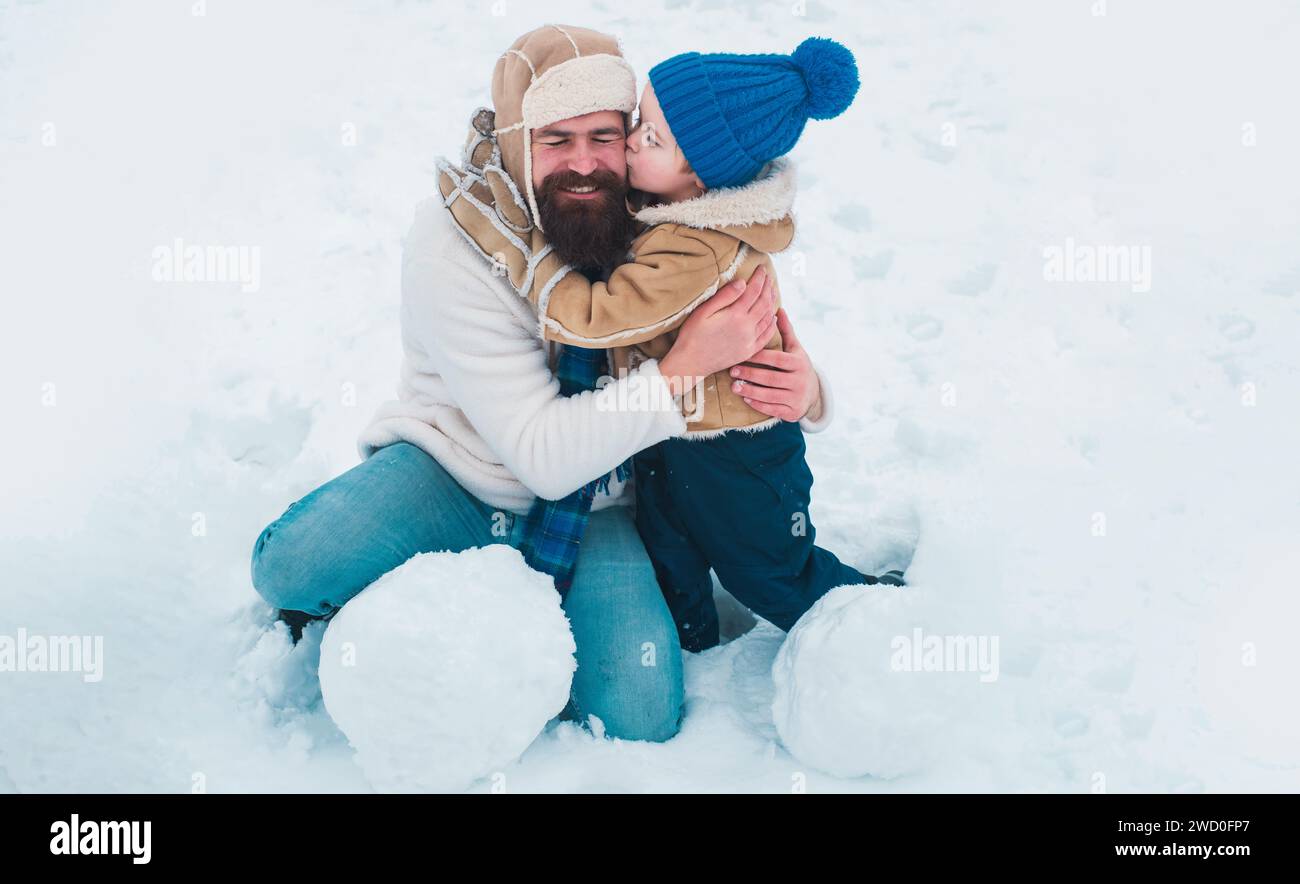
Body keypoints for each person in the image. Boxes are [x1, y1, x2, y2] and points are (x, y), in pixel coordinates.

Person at [249, 25, 832, 743]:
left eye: (605, 134)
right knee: (292, 567)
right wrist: (682, 370)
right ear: (521, 138)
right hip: (461, 469)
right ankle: (414, 601)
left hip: (601, 502)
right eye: (557, 139)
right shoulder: (458, 242)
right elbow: (542, 456)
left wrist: (802, 389)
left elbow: (737, 296)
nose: (584, 163)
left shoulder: (655, 206)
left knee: (637, 714)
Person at [502, 38, 905, 653]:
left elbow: (598, 320)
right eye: (638, 123)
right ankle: (693, 645)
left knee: (765, 568)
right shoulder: (670, 208)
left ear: (698, 178)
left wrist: (524, 259)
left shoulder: (696, 247)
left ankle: (872, 619)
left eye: (652, 140)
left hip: (739, 449)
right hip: (676, 434)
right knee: (670, 547)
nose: (633, 142)